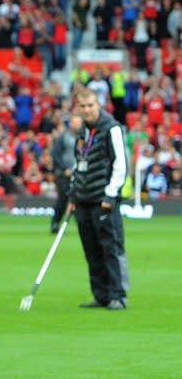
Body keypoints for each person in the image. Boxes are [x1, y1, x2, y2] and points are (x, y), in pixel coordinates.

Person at [69, 88, 129, 310]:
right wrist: (73, 193)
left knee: (110, 248)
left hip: (103, 199)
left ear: (99, 105)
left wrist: (111, 194)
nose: (86, 110)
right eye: (82, 107)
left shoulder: (112, 128)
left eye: (90, 106)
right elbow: (79, 162)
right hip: (83, 199)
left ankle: (118, 295)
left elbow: (120, 164)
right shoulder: (84, 130)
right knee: (91, 250)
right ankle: (101, 294)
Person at [49, 114, 83, 232]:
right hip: (65, 174)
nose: (77, 125)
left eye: (79, 123)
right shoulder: (64, 137)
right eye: (75, 122)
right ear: (71, 124)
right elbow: (55, 154)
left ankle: (83, 225)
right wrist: (64, 169)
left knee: (80, 200)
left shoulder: (85, 137)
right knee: (62, 199)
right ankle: (55, 223)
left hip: (80, 174)